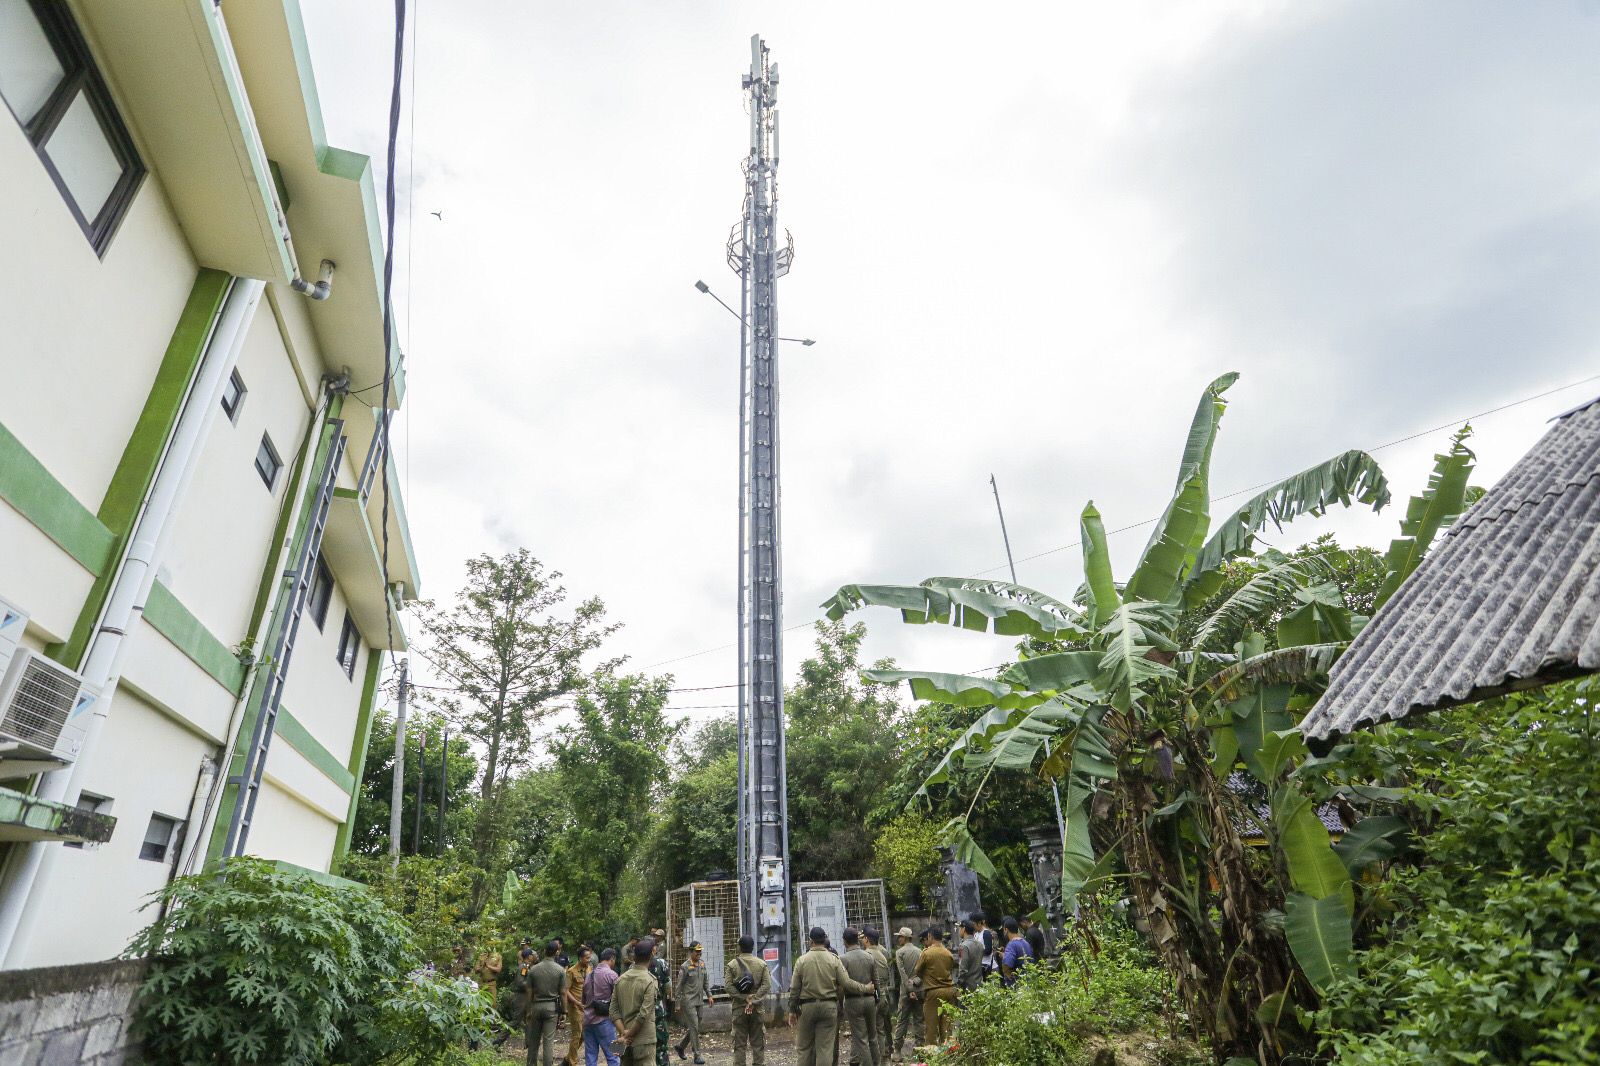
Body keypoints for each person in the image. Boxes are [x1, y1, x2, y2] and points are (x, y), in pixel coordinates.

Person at [789, 926, 874, 1066]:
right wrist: (866, 988)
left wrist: (792, 1010)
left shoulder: (801, 961)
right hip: (829, 1007)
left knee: (804, 1048)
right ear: (825, 940)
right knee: (825, 1049)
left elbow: (794, 988)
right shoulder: (834, 959)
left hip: (807, 1007)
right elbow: (846, 983)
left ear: (811, 941)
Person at [725, 934, 771, 1066]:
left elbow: (728, 986)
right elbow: (766, 985)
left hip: (739, 1008)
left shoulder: (732, 965)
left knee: (739, 1045)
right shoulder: (761, 964)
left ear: (739, 947)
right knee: (758, 1044)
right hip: (757, 1009)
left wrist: (744, 999)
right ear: (752, 947)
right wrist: (753, 999)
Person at [614, 940, 661, 1066]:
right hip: (644, 1041)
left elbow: (613, 1012)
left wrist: (624, 1034)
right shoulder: (650, 981)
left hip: (623, 1041)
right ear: (652, 954)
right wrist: (630, 1034)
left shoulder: (620, 979)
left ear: (634, 956)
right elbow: (643, 1014)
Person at [839, 928, 880, 1066]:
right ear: (857, 939)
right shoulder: (869, 956)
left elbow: (842, 984)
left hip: (853, 1001)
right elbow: (876, 980)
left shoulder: (843, 959)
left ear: (845, 941)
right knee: (873, 1037)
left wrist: (840, 1003)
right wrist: (877, 998)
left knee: (861, 1039)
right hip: (870, 1000)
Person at [527, 939, 570, 1066]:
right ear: (557, 952)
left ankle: (530, 1064)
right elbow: (563, 993)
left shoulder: (534, 969)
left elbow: (529, 992)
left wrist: (528, 1010)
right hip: (551, 1008)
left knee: (533, 1041)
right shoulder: (560, 970)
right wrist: (564, 1011)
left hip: (536, 1006)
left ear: (545, 951)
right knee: (548, 1042)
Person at [914, 929, 957, 1047]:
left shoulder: (927, 953)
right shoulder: (948, 953)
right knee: (947, 1027)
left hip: (933, 992)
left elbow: (917, 970)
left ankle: (931, 1056)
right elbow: (950, 969)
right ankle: (948, 1053)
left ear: (930, 936)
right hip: (949, 991)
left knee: (931, 1027)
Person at [673, 941, 714, 1063]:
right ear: (690, 952)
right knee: (695, 1027)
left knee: (695, 1027)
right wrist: (677, 1003)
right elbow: (679, 986)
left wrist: (709, 995)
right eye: (697, 951)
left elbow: (705, 982)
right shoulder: (685, 967)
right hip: (688, 1001)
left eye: (700, 951)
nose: (699, 953)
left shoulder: (702, 964)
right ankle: (697, 1055)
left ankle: (680, 1046)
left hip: (699, 1000)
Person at [583, 948, 622, 1066]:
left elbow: (583, 1000)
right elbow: (620, 998)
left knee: (590, 1056)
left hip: (588, 1021)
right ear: (612, 959)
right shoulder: (612, 975)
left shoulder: (589, 975)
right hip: (606, 1021)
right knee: (614, 1055)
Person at [890, 927, 923, 1062]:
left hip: (906, 992)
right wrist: (915, 984)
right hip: (918, 989)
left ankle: (897, 1051)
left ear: (906, 938)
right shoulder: (920, 952)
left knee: (902, 1020)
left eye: (901, 937)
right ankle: (921, 1050)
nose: (899, 939)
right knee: (919, 1019)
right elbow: (922, 972)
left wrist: (909, 990)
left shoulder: (899, 952)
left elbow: (902, 974)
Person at [862, 928, 893, 1066]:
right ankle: (884, 1059)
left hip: (872, 997)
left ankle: (872, 1061)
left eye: (863, 938)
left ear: (867, 939)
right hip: (883, 995)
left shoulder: (866, 955)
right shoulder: (882, 954)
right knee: (880, 1030)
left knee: (869, 1032)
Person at [565, 944, 596, 1066]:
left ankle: (568, 1058)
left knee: (583, 1035)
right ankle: (572, 1062)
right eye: (587, 958)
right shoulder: (571, 972)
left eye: (590, 957)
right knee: (576, 1034)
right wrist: (576, 1002)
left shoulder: (590, 968)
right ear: (580, 958)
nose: (589, 960)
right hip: (575, 1007)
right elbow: (566, 990)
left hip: (586, 1006)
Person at [647, 931, 674, 1066]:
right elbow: (668, 987)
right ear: (653, 949)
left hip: (634, 1015)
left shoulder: (630, 969)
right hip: (657, 1009)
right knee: (661, 1045)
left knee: (631, 1047)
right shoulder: (661, 963)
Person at [999, 917, 1033, 987]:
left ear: (1006, 929)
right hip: (1029, 980)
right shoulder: (1025, 942)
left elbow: (1007, 963)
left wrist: (1007, 973)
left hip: (1018, 983)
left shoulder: (1011, 945)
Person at [955, 921, 983, 994]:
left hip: (967, 987)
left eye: (960, 928)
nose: (959, 930)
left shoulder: (963, 946)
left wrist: (958, 985)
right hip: (979, 984)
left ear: (964, 929)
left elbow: (963, 969)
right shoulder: (980, 945)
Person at [513, 946, 538, 1026]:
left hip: (526, 995)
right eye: (532, 955)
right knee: (516, 1020)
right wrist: (531, 985)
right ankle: (499, 1038)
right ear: (529, 956)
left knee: (529, 1019)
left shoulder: (527, 966)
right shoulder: (523, 967)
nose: (533, 956)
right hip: (521, 996)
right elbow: (520, 982)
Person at [970, 912, 995, 979]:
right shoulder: (976, 934)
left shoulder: (986, 933)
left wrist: (975, 952)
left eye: (974, 924)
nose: (973, 926)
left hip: (986, 965)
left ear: (979, 923)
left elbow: (988, 950)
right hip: (979, 964)